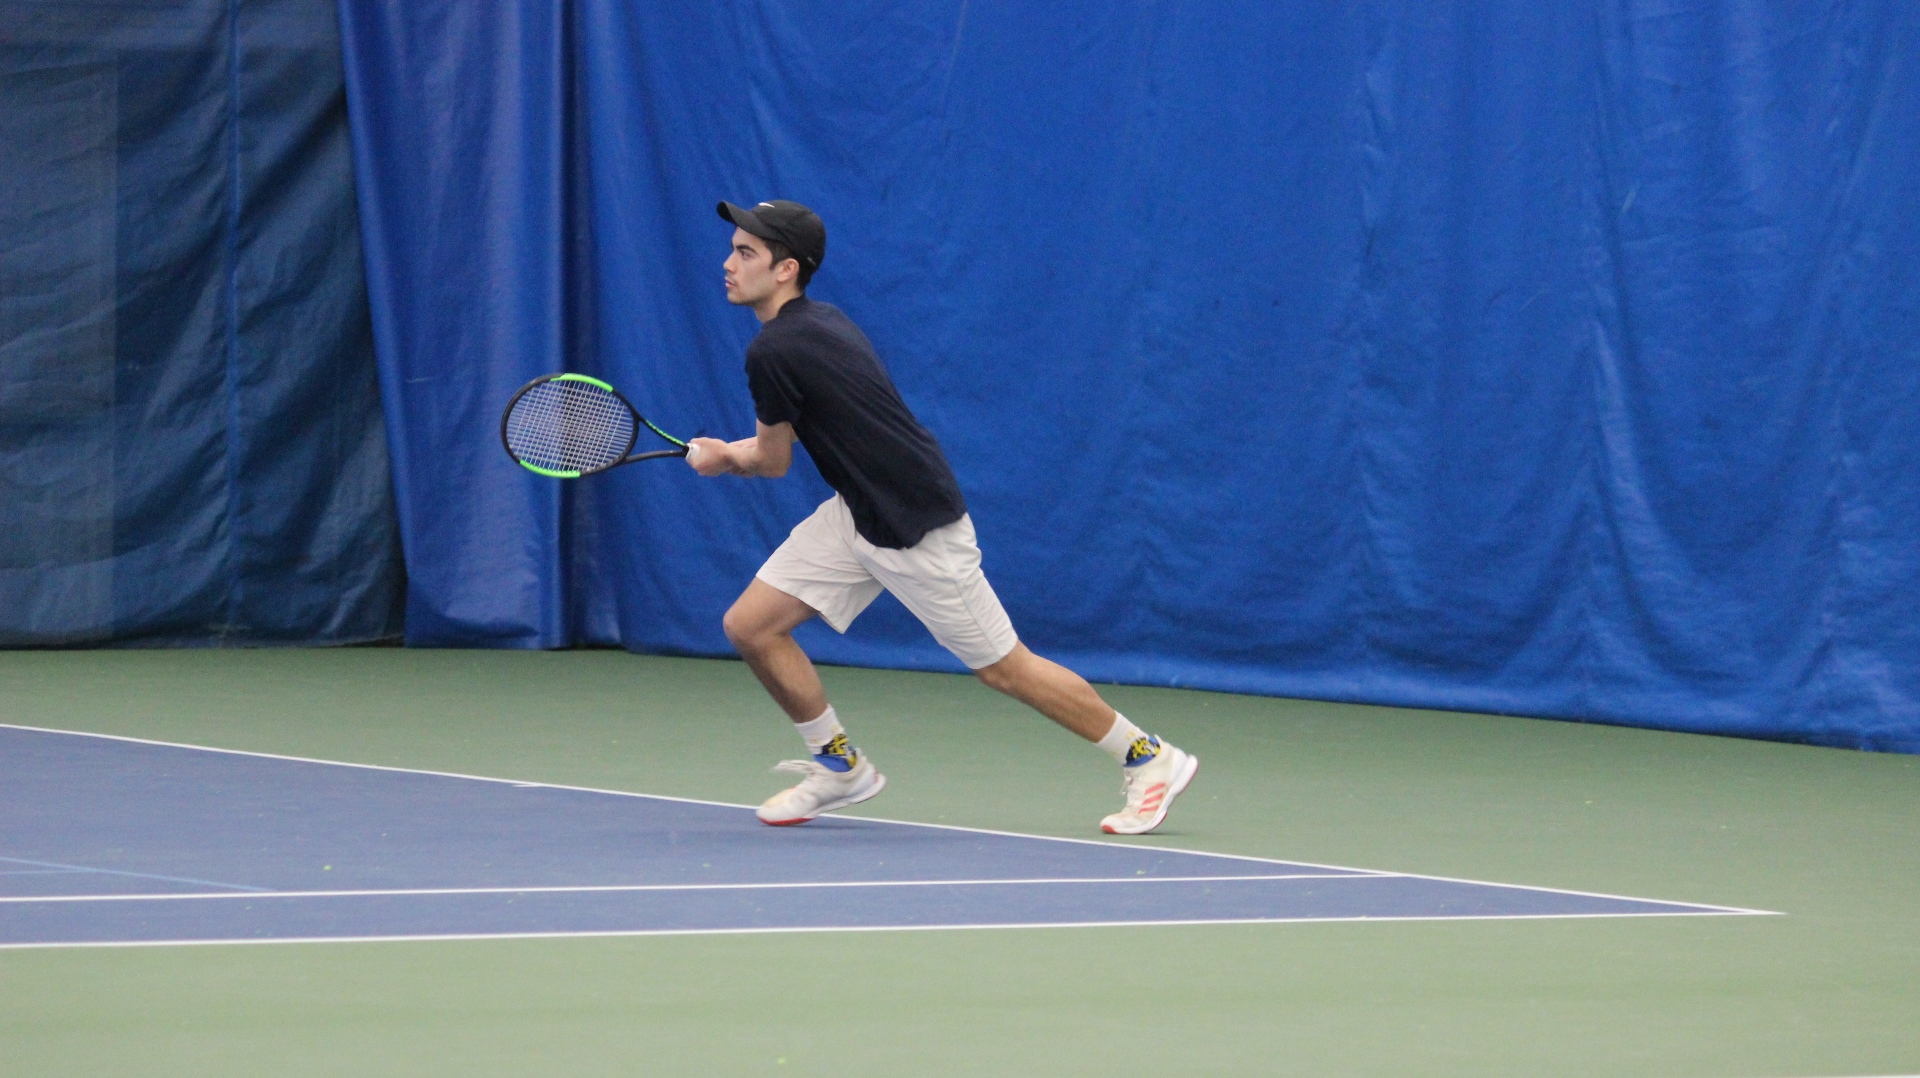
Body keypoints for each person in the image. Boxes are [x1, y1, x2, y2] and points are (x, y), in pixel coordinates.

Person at [685, 199, 1197, 835]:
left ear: (785, 268)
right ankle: (840, 767)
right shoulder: (820, 322)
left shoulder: (776, 351)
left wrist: (719, 458)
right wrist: (731, 453)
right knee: (753, 626)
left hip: (912, 524)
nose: (728, 264)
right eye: (733, 249)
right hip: (859, 512)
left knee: (1006, 668)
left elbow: (771, 461)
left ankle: (1149, 759)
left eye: (745, 254)